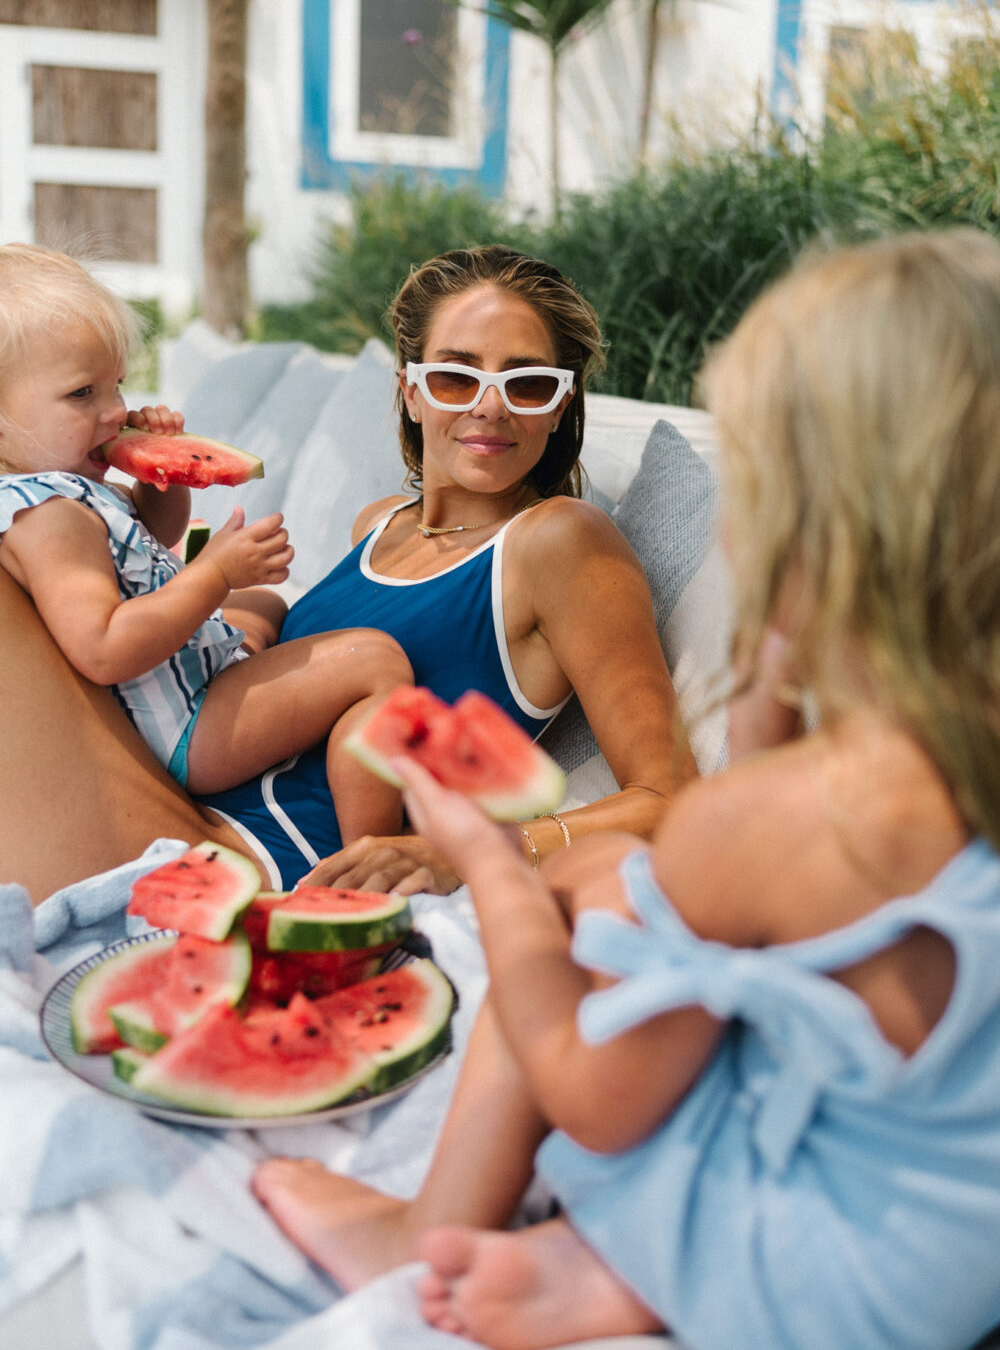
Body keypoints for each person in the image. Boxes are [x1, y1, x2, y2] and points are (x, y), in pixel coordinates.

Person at [253, 229, 1000, 1350]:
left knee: (561, 933)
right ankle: (599, 1266)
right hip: (951, 1260)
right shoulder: (916, 791)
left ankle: (453, 1236)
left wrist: (497, 869)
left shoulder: (772, 824)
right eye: (455, 376)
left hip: (808, 1290)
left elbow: (600, 1093)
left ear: (814, 536)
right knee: (629, 895)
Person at [202, 244, 692, 892]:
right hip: (189, 804)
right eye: (457, 378)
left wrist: (466, 854)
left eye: (528, 384)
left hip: (276, 867)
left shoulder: (561, 543)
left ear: (560, 407)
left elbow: (670, 797)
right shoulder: (376, 525)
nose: (490, 407)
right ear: (411, 391)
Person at [0, 243, 414, 847]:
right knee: (377, 658)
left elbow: (153, 536)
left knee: (266, 606)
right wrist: (215, 573)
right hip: (187, 728)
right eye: (82, 394)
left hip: (191, 683)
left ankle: (289, 699)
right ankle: (367, 860)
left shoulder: (66, 489)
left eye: (117, 384)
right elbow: (106, 648)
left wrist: (157, 478)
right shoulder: (52, 515)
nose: (117, 411)